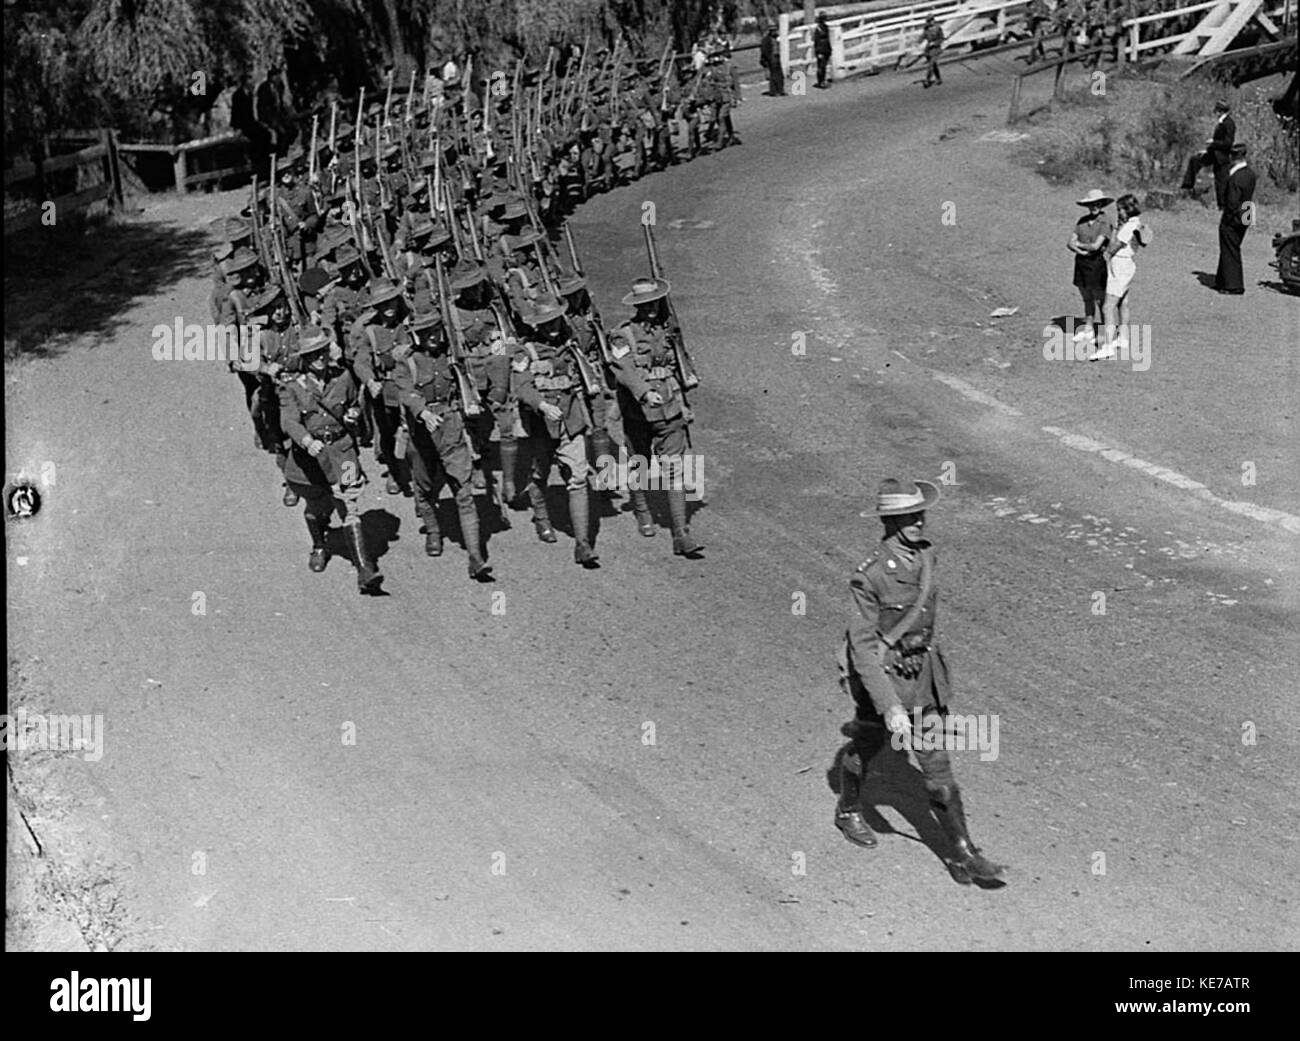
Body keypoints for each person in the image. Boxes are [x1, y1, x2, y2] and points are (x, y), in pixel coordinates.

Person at [835, 478, 1006, 885]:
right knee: (870, 743)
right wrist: (890, 707)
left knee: (936, 764)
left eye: (920, 514)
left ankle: (963, 853)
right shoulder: (870, 577)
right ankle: (848, 807)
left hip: (923, 675)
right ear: (890, 521)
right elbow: (862, 649)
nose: (918, 522)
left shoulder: (927, 557)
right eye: (908, 517)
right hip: (886, 679)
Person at [278, 327, 382, 593]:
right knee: (316, 507)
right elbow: (289, 420)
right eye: (313, 355)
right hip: (311, 460)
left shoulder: (344, 378)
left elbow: (354, 404)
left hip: (343, 451)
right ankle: (319, 545)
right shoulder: (293, 387)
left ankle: (364, 569)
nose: (320, 359)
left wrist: (352, 415)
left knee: (350, 504)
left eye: (322, 352)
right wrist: (306, 440)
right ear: (304, 359)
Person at [610, 278, 702, 557]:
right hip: (638, 412)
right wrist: (645, 392)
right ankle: (641, 509)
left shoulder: (668, 330)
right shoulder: (621, 335)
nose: (650, 308)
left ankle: (680, 533)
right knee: (641, 464)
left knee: (674, 470)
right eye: (644, 304)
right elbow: (623, 370)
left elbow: (679, 363)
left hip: (671, 409)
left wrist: (687, 390)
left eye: (653, 302)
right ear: (636, 306)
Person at [1091, 193, 1150, 360]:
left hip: (1120, 265)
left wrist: (1115, 231)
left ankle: (1107, 346)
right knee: (1123, 303)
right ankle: (1122, 337)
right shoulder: (1136, 224)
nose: (1119, 213)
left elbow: (1113, 246)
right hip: (1128, 264)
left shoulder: (1127, 228)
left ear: (1128, 209)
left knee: (1107, 307)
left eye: (1121, 209)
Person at [1068, 189, 1112, 347]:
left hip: (1096, 264)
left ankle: (1103, 332)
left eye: (1098, 204)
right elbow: (1070, 242)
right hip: (1081, 263)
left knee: (1100, 300)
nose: (1095, 206)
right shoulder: (1082, 221)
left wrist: (1079, 246)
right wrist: (1081, 250)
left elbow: (1096, 246)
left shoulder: (1105, 222)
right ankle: (1088, 329)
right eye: (1092, 204)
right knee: (1086, 297)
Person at [1215, 143, 1256, 295]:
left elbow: (1232, 201)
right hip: (1246, 212)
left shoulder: (1235, 177)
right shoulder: (1250, 173)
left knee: (1230, 248)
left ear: (1233, 157)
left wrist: (1227, 217)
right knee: (1231, 246)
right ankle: (1222, 280)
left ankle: (1234, 285)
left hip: (1234, 215)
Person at [1180, 100, 1235, 209]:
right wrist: (1207, 150)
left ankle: (1223, 205)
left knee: (1221, 181)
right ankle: (1187, 186)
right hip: (1214, 154)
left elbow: (1228, 143)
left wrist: (1213, 143)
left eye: (1217, 111)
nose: (1215, 114)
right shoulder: (1222, 122)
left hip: (1222, 156)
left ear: (1220, 111)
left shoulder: (1229, 123)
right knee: (1195, 159)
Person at [759, 25, 786, 97]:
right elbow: (764, 51)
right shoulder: (766, 40)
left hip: (776, 57)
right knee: (773, 75)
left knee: (780, 74)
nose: (775, 32)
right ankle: (774, 91)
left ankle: (781, 90)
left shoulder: (775, 39)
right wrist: (768, 59)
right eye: (773, 31)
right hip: (771, 58)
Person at [921, 16, 944, 89]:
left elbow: (941, 39)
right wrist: (916, 42)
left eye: (931, 20)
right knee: (934, 65)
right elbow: (922, 37)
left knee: (931, 64)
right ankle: (939, 78)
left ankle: (927, 80)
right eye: (929, 21)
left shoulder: (938, 29)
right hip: (928, 50)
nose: (931, 22)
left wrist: (934, 43)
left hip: (936, 49)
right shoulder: (926, 29)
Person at [813, 13, 833, 89]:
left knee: (824, 66)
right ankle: (820, 81)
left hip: (826, 48)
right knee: (821, 66)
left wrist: (829, 49)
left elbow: (828, 39)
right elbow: (816, 41)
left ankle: (823, 80)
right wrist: (818, 52)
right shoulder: (818, 29)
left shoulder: (826, 27)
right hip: (820, 49)